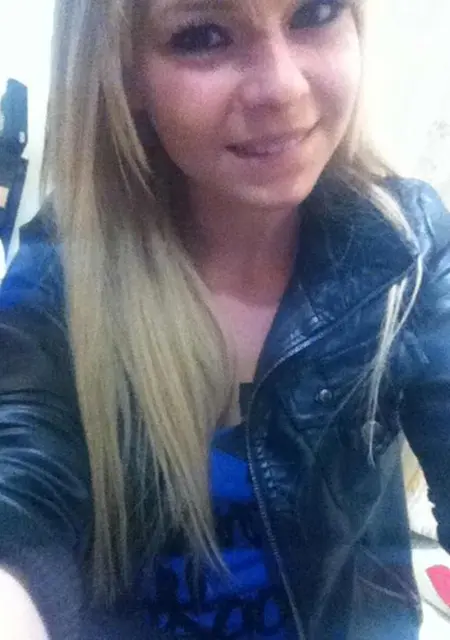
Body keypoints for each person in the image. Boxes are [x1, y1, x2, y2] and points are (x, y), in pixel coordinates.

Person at [0, 0, 449, 638]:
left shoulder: (404, 248)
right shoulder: (59, 280)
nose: (283, 88)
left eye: (315, 11)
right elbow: (20, 484)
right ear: (124, 75)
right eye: (203, 35)